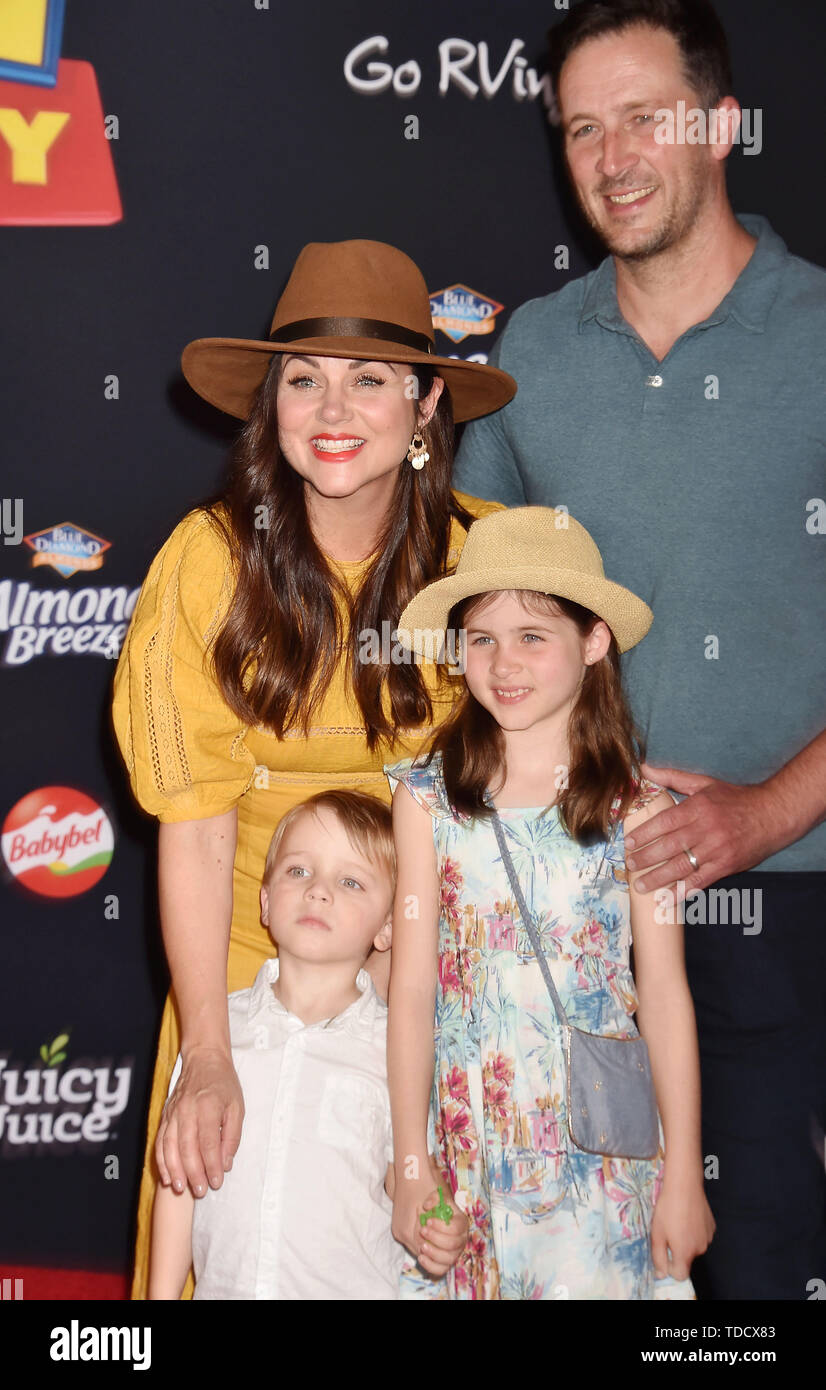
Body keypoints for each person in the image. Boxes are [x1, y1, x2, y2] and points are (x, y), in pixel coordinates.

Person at [452, 0, 826, 1301]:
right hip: (564, 913)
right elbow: (470, 604)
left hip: (782, 899)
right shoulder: (532, 355)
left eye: (647, 119)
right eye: (581, 129)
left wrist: (766, 810)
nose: (612, 157)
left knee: (760, 1275)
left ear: (721, 124)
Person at [112, 237, 515, 1298]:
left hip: (433, 978)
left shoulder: (491, 564)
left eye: (369, 379)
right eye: (304, 378)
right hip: (243, 970)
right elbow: (194, 825)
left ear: (427, 403)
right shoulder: (208, 560)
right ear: (271, 404)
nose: (332, 409)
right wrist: (207, 1052)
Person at [385, 506, 715, 1299]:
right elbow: (412, 987)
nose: (505, 662)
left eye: (534, 636)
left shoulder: (642, 810)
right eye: (483, 637)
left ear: (593, 643)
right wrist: (409, 1162)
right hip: (465, 1153)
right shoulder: (426, 800)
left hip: (600, 1163)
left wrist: (682, 1178)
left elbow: (665, 995)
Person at [147, 790, 467, 1300]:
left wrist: (437, 1222)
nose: (319, 892)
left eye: (350, 881)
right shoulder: (215, 1040)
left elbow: (407, 1177)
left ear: (389, 927)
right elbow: (180, 1182)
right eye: (299, 871)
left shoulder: (395, 1052)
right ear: (265, 900)